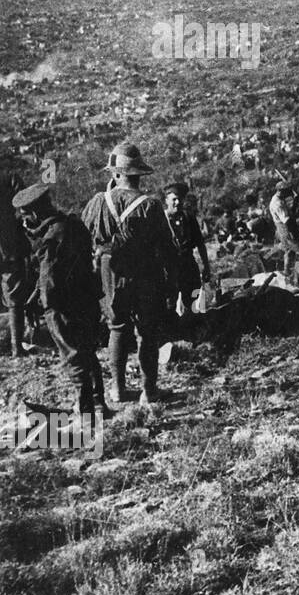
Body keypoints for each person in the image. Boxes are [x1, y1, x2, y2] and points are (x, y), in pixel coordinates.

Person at [81, 142, 176, 404]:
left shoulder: (98, 202)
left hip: (109, 272)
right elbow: (166, 247)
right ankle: (149, 391)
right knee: (146, 331)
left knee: (118, 327)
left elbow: (82, 238)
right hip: (144, 273)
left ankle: (118, 390)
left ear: (116, 174)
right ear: (137, 174)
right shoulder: (151, 206)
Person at [13, 184, 108, 417]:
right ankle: (98, 404)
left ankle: (85, 413)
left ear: (34, 214)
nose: (25, 222)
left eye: (26, 217)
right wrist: (35, 294)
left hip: (62, 305)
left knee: (72, 355)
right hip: (85, 300)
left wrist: (45, 307)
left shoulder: (51, 237)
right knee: (86, 350)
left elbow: (49, 279)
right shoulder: (72, 225)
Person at [163, 181, 210, 321]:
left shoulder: (188, 218)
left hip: (188, 264)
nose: (177, 202)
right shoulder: (160, 220)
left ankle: (196, 327)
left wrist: (206, 266)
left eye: (180, 199)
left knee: (195, 297)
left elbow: (200, 244)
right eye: (174, 199)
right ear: (166, 200)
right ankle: (173, 333)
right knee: (169, 301)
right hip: (169, 267)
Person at [1, 169, 30, 357]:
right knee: (14, 298)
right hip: (10, 245)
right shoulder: (9, 175)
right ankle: (16, 347)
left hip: (7, 246)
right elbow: (25, 204)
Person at [269, 181, 299, 275]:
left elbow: (290, 212)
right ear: (281, 191)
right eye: (287, 191)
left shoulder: (280, 199)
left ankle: (287, 271)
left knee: (289, 251)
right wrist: (294, 233)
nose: (289, 194)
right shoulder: (277, 203)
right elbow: (287, 221)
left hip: (286, 227)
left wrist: (296, 203)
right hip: (286, 229)